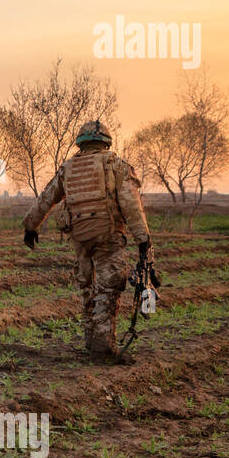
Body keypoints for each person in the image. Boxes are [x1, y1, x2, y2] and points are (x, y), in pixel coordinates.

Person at [22, 120, 151, 360]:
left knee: (88, 289)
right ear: (106, 142)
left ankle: (91, 341)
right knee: (107, 288)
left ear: (81, 142)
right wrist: (143, 239)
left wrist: (31, 226)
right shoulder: (116, 165)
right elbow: (131, 205)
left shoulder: (68, 168)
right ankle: (102, 349)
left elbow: (46, 198)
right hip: (107, 235)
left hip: (79, 237)